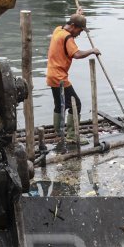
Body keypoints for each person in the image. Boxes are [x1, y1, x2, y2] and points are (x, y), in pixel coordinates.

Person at [44, 13, 99, 153]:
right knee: (76, 104)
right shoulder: (67, 37)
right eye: (79, 30)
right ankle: (72, 136)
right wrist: (92, 50)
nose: (79, 34)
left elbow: (72, 23)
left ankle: (59, 130)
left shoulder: (59, 29)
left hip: (51, 74)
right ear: (73, 26)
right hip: (60, 77)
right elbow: (77, 54)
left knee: (59, 104)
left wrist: (78, 13)